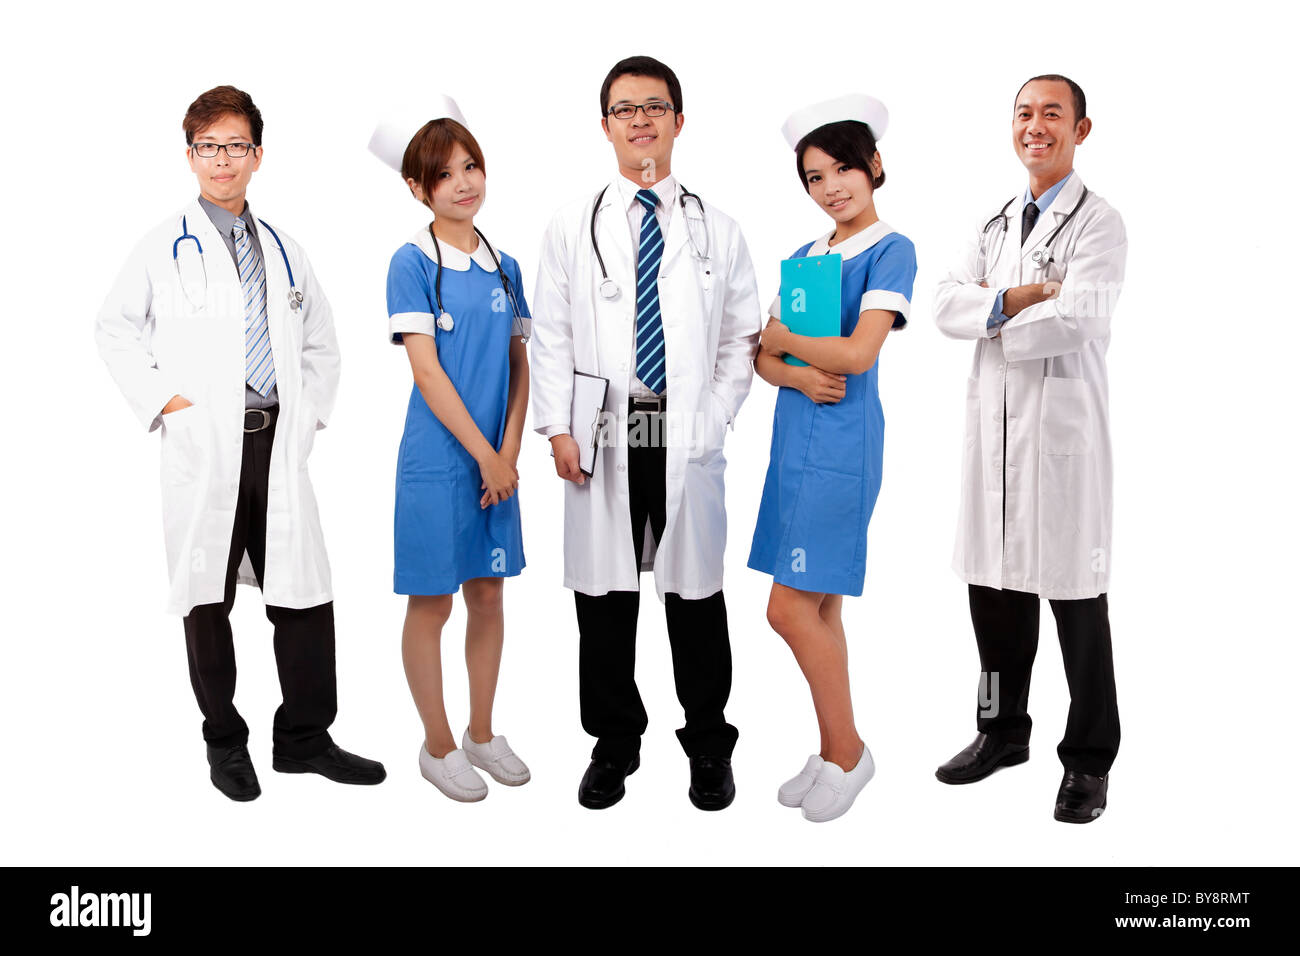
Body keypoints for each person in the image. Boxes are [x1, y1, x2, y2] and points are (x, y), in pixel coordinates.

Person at [95, 85, 385, 801]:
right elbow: (113, 328)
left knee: (305, 596)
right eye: (208, 146)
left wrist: (308, 416)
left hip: (277, 445)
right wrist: (171, 405)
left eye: (235, 146)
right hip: (204, 450)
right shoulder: (163, 244)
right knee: (206, 597)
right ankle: (225, 741)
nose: (222, 159)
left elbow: (322, 341)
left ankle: (305, 739)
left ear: (258, 155)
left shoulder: (286, 249)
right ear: (190, 156)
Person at [530, 56, 761, 811]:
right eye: (625, 109)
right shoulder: (572, 225)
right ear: (605, 127)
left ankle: (706, 745)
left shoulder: (718, 230)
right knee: (604, 602)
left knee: (694, 600)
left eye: (654, 107)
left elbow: (740, 337)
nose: (640, 121)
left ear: (679, 121)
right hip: (601, 429)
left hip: (685, 429)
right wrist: (558, 429)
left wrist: (718, 414)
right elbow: (553, 336)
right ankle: (614, 743)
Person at [932, 74, 1126, 823]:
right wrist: (1014, 299)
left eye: (1052, 113)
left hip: (1060, 443)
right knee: (993, 604)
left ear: (1081, 130)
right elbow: (943, 301)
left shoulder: (1100, 224)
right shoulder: (994, 223)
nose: (1034, 125)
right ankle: (1000, 733)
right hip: (993, 445)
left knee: (1078, 607)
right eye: (1023, 113)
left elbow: (1078, 320)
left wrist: (985, 311)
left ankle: (1088, 762)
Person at [748, 95, 915, 823]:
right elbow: (765, 358)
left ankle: (850, 753)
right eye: (816, 177)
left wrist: (786, 339)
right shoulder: (809, 258)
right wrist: (791, 365)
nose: (832, 187)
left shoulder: (890, 249)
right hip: (794, 442)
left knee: (786, 610)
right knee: (819, 606)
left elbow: (859, 352)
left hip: (843, 449)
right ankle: (828, 747)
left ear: (874, 166)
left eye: (844, 168)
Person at [368, 98, 532, 802]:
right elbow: (427, 372)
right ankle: (437, 747)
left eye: (472, 165)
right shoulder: (410, 265)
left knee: (489, 594)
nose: (464, 182)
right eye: (445, 174)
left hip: (499, 460)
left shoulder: (505, 266)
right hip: (439, 465)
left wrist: (510, 451)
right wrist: (484, 456)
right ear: (416, 188)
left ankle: (482, 732)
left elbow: (521, 361)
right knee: (432, 604)